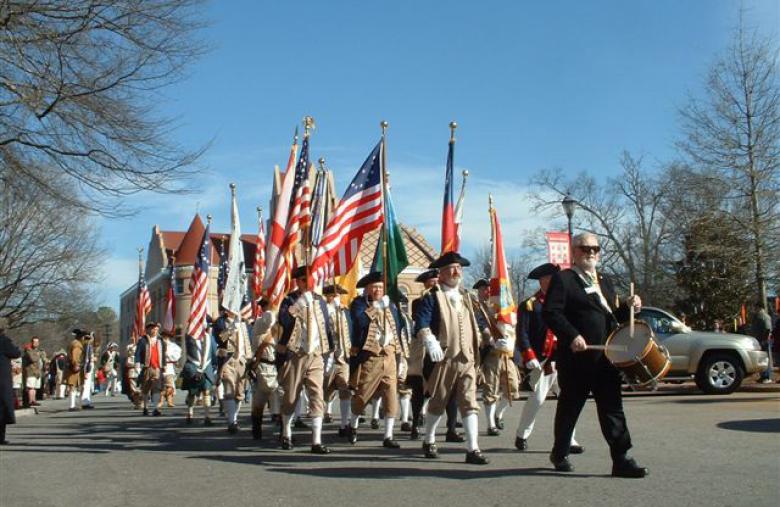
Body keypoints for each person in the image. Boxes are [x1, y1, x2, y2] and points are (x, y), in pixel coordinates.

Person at [543, 232, 647, 478]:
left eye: (595, 248)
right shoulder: (564, 279)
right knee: (570, 408)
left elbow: (612, 317)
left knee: (613, 408)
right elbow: (551, 313)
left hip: (607, 357)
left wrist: (630, 308)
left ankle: (621, 459)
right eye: (585, 248)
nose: (591, 252)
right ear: (574, 252)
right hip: (577, 359)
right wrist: (572, 335)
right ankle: (559, 452)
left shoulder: (605, 280)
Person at [414, 252, 490, 465]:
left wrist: (488, 334)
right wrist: (429, 339)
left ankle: (473, 448)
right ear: (442, 272)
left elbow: (478, 321)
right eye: (451, 268)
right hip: (444, 359)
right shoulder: (432, 296)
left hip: (467, 358)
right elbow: (421, 321)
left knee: (469, 402)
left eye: (459, 268)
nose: (456, 272)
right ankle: (429, 439)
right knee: (438, 401)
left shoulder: (466, 297)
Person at [514, 263, 583, 454]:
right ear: (543, 281)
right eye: (551, 279)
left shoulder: (565, 304)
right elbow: (522, 333)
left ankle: (570, 438)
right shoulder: (530, 305)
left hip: (563, 359)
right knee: (537, 399)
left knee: (569, 401)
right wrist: (528, 355)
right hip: (543, 361)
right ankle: (522, 434)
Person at [276, 266, 334, 454]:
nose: (308, 283)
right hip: (296, 354)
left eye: (311, 279)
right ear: (298, 282)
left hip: (316, 354)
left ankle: (316, 441)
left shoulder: (320, 301)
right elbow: (283, 321)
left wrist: (329, 352)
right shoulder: (290, 300)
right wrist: (299, 304)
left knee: (317, 395)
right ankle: (286, 433)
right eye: (304, 280)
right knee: (291, 396)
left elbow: (326, 327)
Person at [347, 271, 407, 449]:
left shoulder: (391, 305)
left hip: (389, 353)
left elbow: (399, 327)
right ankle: (353, 424)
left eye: (381, 287)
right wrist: (377, 307)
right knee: (363, 394)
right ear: (367, 289)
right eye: (375, 287)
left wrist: (401, 354)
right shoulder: (359, 304)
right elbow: (359, 322)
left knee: (391, 395)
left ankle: (388, 435)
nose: (379, 290)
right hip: (370, 355)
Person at [471, 279, 517, 436]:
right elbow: (480, 327)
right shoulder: (477, 308)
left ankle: (498, 414)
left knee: (513, 388)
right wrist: (492, 340)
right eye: (484, 289)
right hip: (490, 353)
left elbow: (511, 325)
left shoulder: (501, 307)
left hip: (506, 353)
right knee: (490, 389)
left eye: (489, 289)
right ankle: (491, 424)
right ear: (479, 291)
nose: (487, 292)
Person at [406, 269, 438, 440]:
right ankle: (415, 421)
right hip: (423, 345)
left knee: (437, 387)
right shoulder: (419, 301)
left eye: (436, 281)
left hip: (440, 346)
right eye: (431, 282)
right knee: (418, 386)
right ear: (426, 284)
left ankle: (449, 425)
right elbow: (420, 320)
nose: (435, 284)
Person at [213, 307, 252, 433]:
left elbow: (248, 342)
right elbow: (220, 338)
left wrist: (249, 360)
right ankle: (231, 421)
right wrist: (231, 328)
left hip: (241, 360)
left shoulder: (242, 323)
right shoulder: (220, 322)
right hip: (227, 361)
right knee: (229, 389)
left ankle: (234, 418)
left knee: (239, 394)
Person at [321, 285, 353, 438]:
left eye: (338, 295)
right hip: (327, 357)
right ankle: (320, 420)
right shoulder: (322, 312)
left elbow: (351, 330)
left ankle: (344, 424)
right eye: (334, 295)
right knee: (323, 392)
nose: (337, 298)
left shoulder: (345, 311)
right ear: (327, 296)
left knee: (344, 388)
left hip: (343, 358)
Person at [248, 298, 278, 439]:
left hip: (276, 367)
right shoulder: (262, 322)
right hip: (264, 366)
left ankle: (284, 432)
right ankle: (256, 429)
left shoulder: (272, 326)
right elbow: (270, 319)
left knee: (279, 400)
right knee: (259, 401)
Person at [182, 323, 219, 426]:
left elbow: (213, 352)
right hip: (193, 368)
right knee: (192, 392)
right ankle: (190, 413)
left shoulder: (210, 338)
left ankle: (207, 416)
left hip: (206, 368)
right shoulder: (189, 336)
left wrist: (215, 366)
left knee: (206, 392)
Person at [135, 322, 167, 416]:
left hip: (158, 368)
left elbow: (163, 355)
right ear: (148, 330)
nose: (155, 331)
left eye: (156, 329)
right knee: (145, 388)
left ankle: (156, 408)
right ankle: (145, 407)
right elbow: (137, 353)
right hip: (147, 367)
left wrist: (164, 365)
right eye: (153, 329)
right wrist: (137, 364)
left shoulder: (160, 341)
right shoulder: (143, 340)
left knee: (157, 388)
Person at [0, 318, 22, 444]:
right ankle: (0, 437)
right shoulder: (4, 341)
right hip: (2, 379)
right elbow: (16, 353)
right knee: (2, 407)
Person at [64, 329, 92, 411]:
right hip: (74, 368)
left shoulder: (74, 343)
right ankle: (72, 405)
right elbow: (75, 356)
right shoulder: (77, 345)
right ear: (82, 337)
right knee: (73, 386)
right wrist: (76, 365)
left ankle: (74, 405)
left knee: (75, 386)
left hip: (72, 367)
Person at [750, 303, 773, 383]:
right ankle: (762, 376)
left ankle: (767, 377)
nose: (754, 309)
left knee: (765, 359)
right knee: (760, 359)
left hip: (763, 341)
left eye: (755, 307)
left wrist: (764, 340)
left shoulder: (764, 316)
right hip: (757, 341)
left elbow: (768, 329)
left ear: (760, 307)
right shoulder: (756, 316)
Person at [160, 331, 182, 407]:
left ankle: (169, 401)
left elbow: (176, 356)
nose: (164, 337)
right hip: (159, 367)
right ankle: (161, 401)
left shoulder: (173, 346)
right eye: (163, 336)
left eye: (166, 336)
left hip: (169, 367)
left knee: (170, 385)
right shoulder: (158, 345)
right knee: (161, 386)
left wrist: (166, 353)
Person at [22, 336, 43, 407]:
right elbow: (33, 359)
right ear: (32, 342)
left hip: (37, 372)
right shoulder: (29, 350)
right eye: (35, 342)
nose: (36, 343)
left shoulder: (38, 351)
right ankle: (30, 401)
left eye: (37, 342)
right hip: (30, 371)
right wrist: (38, 355)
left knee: (35, 387)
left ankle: (34, 400)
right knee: (31, 387)